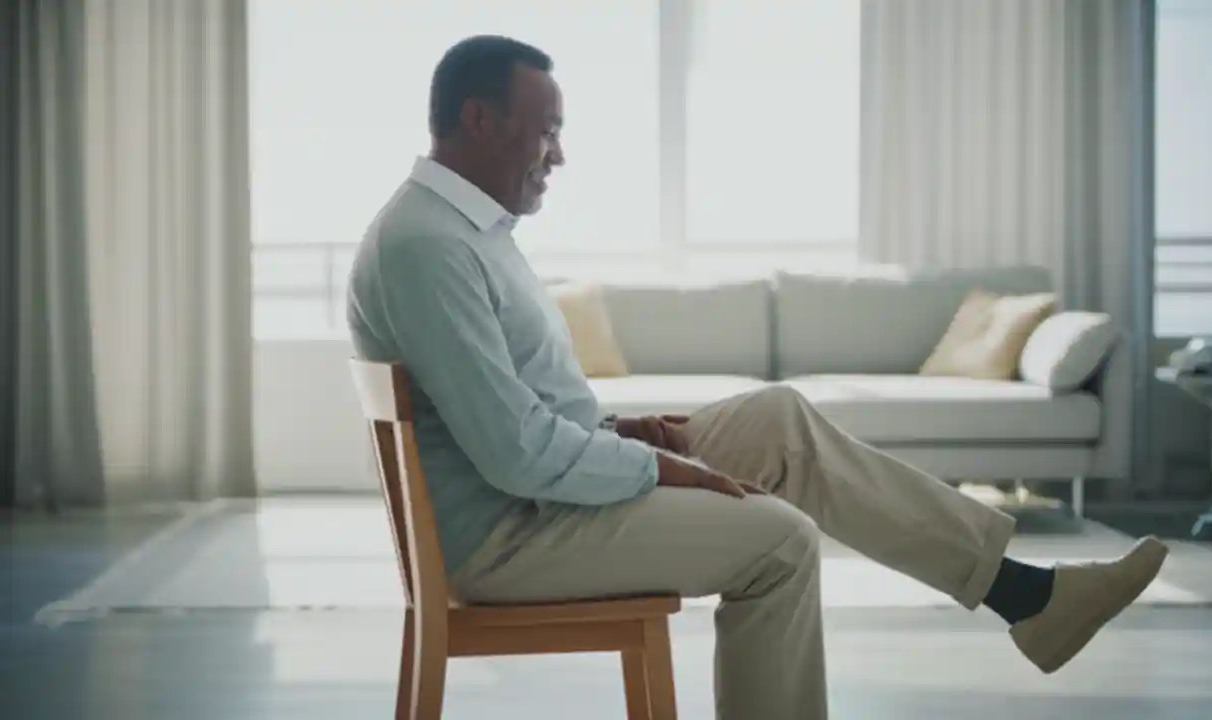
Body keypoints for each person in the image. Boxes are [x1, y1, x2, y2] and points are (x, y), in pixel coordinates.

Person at [346, 35, 1167, 720]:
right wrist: (661, 467)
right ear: (479, 119)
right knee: (778, 542)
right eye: (546, 131)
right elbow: (516, 453)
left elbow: (513, 410)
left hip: (539, 501)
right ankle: (1027, 600)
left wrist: (623, 433)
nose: (558, 155)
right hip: (512, 538)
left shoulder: (467, 231)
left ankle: (1026, 596)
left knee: (779, 419)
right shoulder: (428, 247)